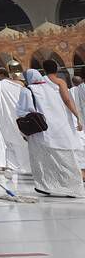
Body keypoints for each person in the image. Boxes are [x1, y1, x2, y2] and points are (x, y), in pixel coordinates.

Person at [18, 69, 84, 197]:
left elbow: (23, 111)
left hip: (40, 131)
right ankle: (74, 188)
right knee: (64, 160)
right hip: (59, 130)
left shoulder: (27, 91)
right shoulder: (52, 88)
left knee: (42, 160)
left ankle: (46, 186)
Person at [0, 67, 30, 179]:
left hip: (6, 118)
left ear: (0, 75)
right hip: (20, 116)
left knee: (9, 143)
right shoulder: (20, 83)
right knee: (23, 141)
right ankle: (27, 167)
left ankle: (11, 166)